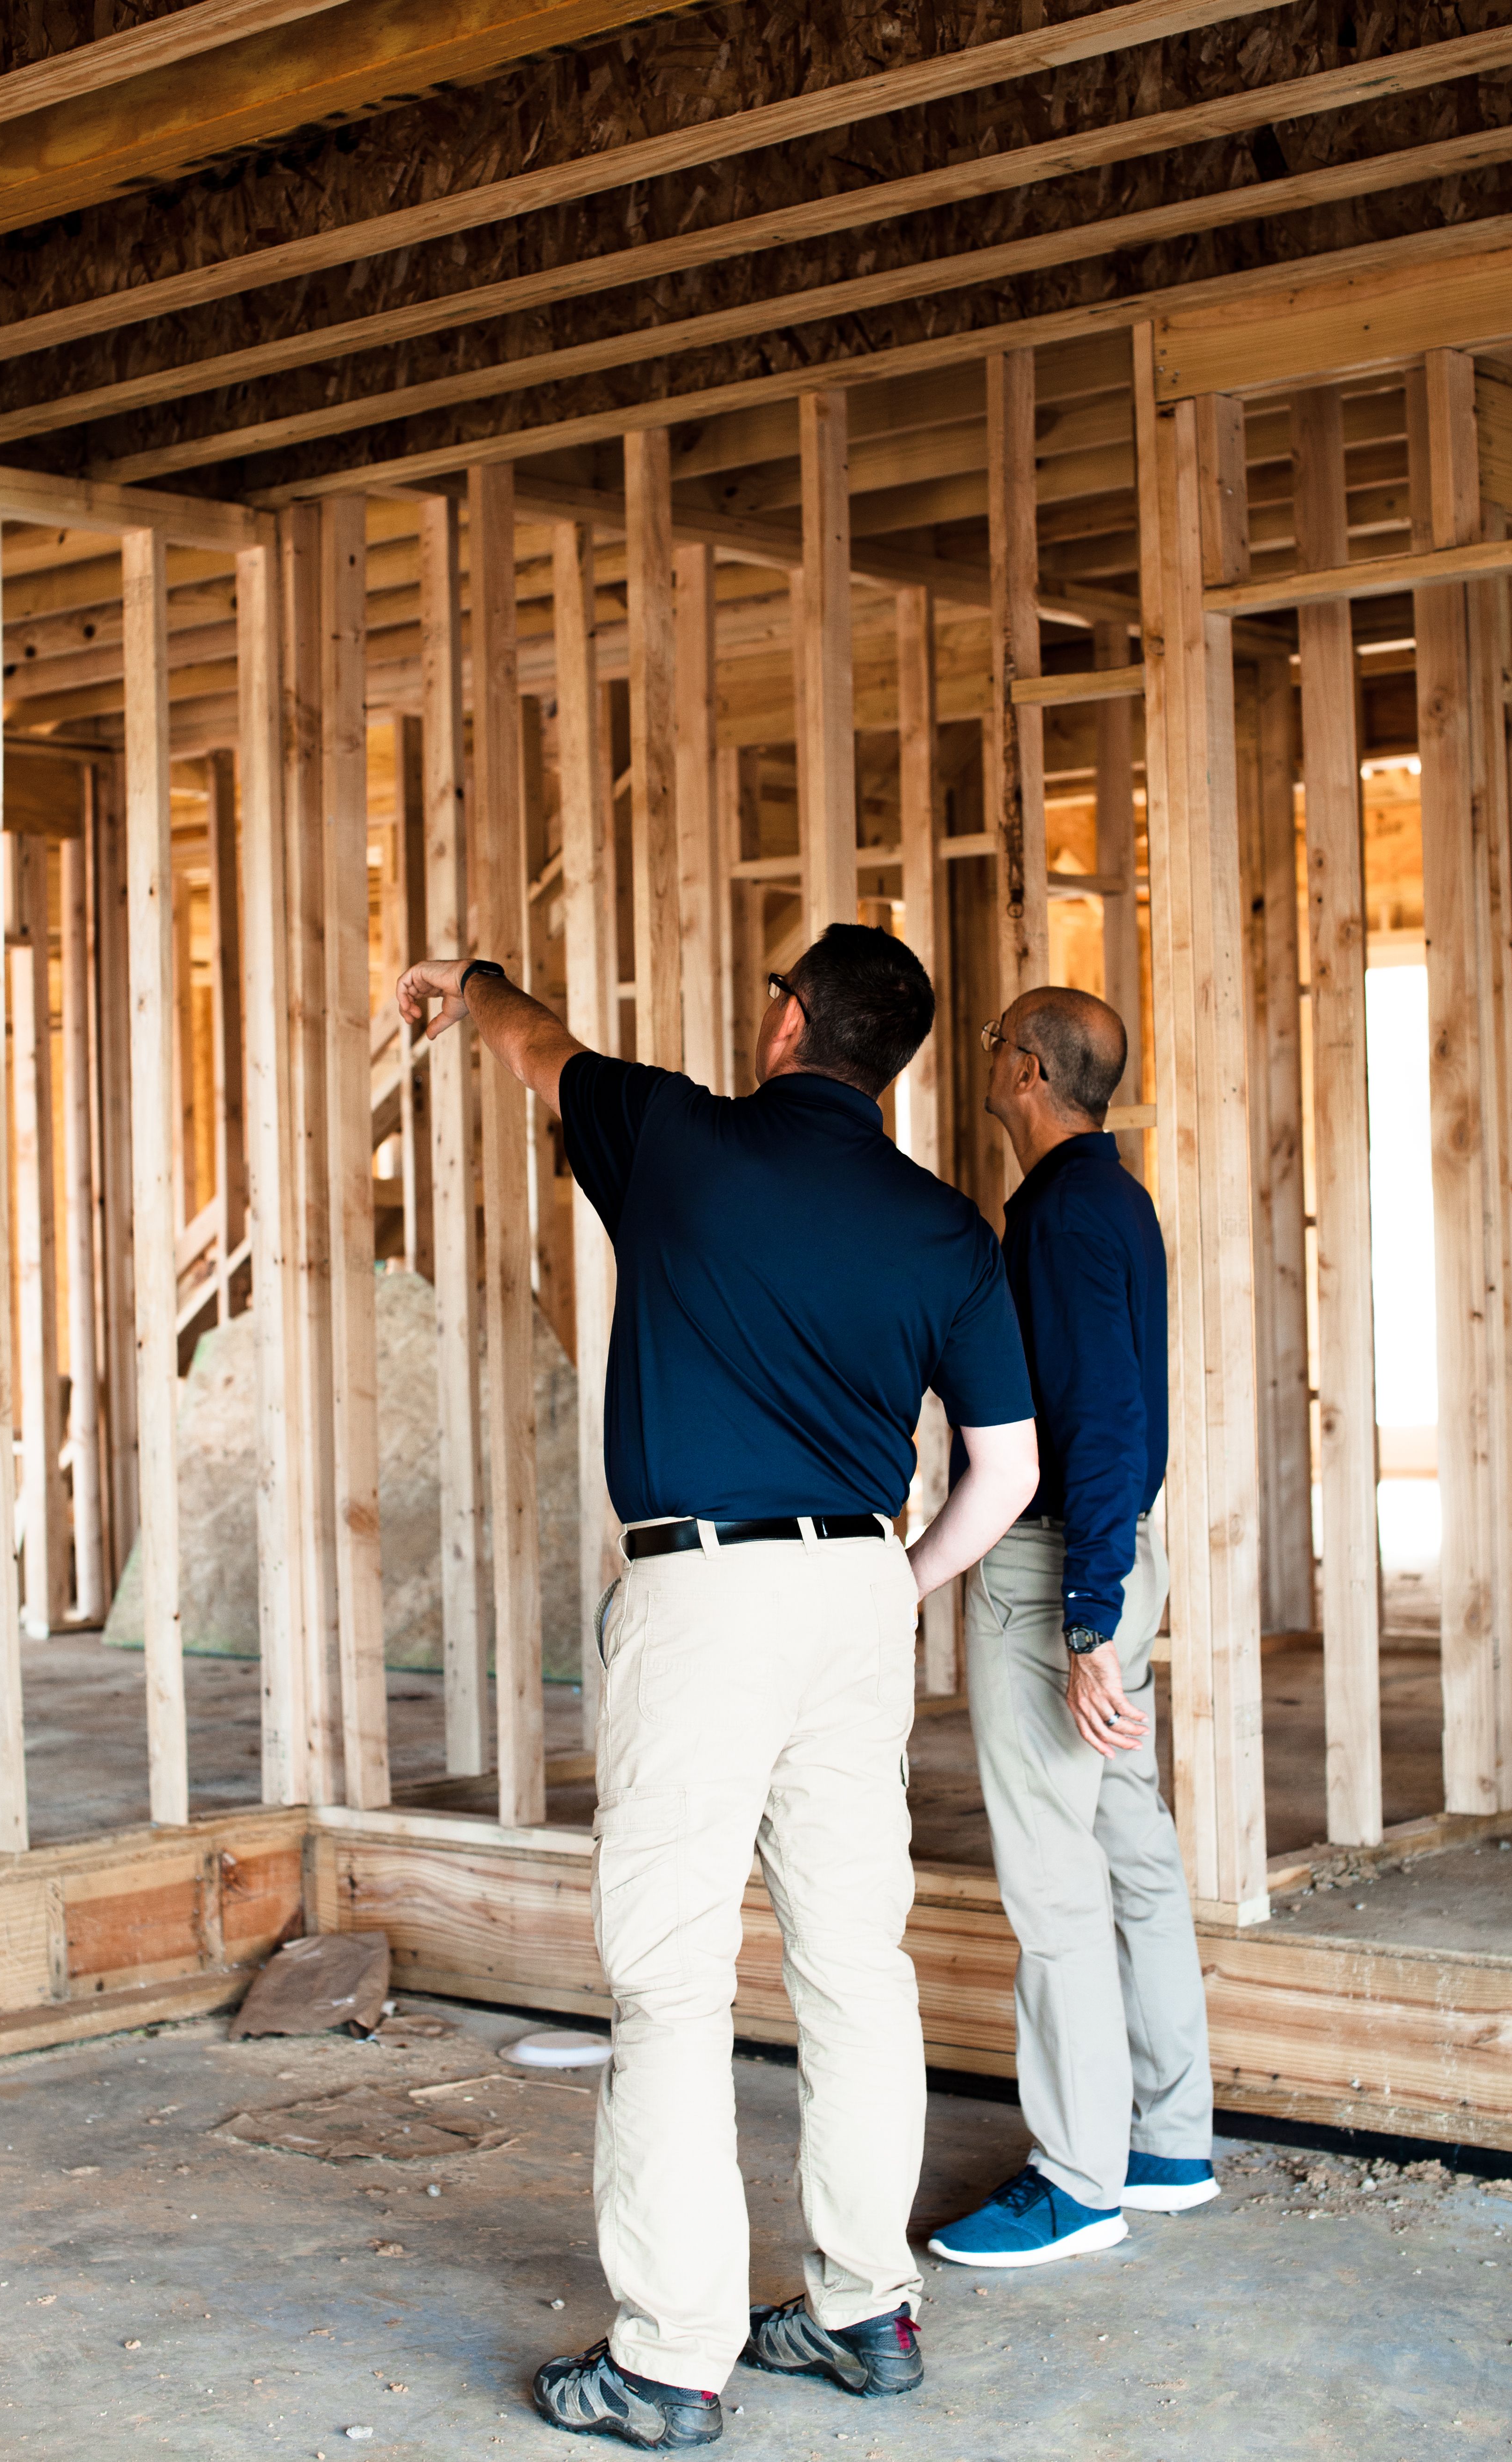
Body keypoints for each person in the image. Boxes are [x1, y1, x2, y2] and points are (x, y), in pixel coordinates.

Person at [398, 924, 1038, 2451]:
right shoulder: (950, 1230)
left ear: (787, 1023)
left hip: (706, 1594)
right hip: (858, 1595)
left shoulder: (678, 1137)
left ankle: (673, 2361)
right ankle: (864, 2310)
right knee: (854, 1969)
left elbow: (536, 1048)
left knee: (673, 1980)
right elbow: (1004, 1472)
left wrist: (466, 981)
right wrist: (899, 1580)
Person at [928, 987, 1218, 2274]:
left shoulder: (1059, 1216)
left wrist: (1086, 1616)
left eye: (997, 1046)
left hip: (1058, 1574)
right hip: (1106, 1561)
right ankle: (1167, 2143)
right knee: (1133, 1849)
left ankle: (1076, 2179)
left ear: (1030, 1069)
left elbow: (1098, 1419)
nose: (988, 1062)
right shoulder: (1118, 1200)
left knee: (1054, 1882)